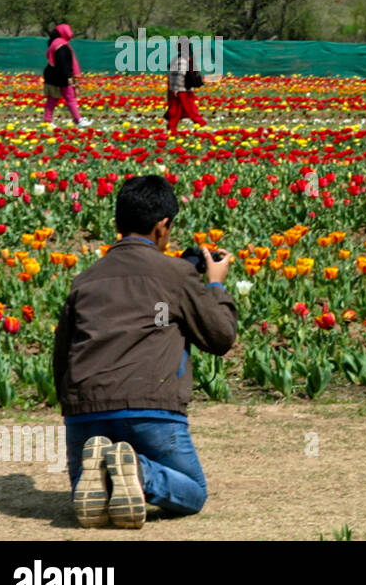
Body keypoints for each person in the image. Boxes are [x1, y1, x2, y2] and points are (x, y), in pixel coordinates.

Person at [53, 175, 237, 529]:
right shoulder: (176, 274)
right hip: (151, 411)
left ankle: (103, 472)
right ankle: (139, 473)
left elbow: (61, 356)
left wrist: (72, 407)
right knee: (193, 492)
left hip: (85, 412)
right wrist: (214, 283)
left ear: (117, 224)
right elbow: (220, 337)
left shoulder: (86, 280)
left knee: (93, 486)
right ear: (162, 226)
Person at [163, 38, 218, 134]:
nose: (177, 46)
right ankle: (171, 128)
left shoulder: (183, 59)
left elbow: (180, 75)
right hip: (180, 89)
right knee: (176, 110)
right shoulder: (185, 57)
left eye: (179, 45)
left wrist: (176, 89)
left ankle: (201, 125)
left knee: (187, 110)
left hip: (180, 89)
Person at [43, 23, 91, 128]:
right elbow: (64, 63)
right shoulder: (61, 46)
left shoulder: (55, 43)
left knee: (52, 99)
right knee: (71, 98)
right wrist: (69, 77)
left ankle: (47, 121)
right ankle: (78, 120)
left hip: (52, 75)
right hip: (61, 76)